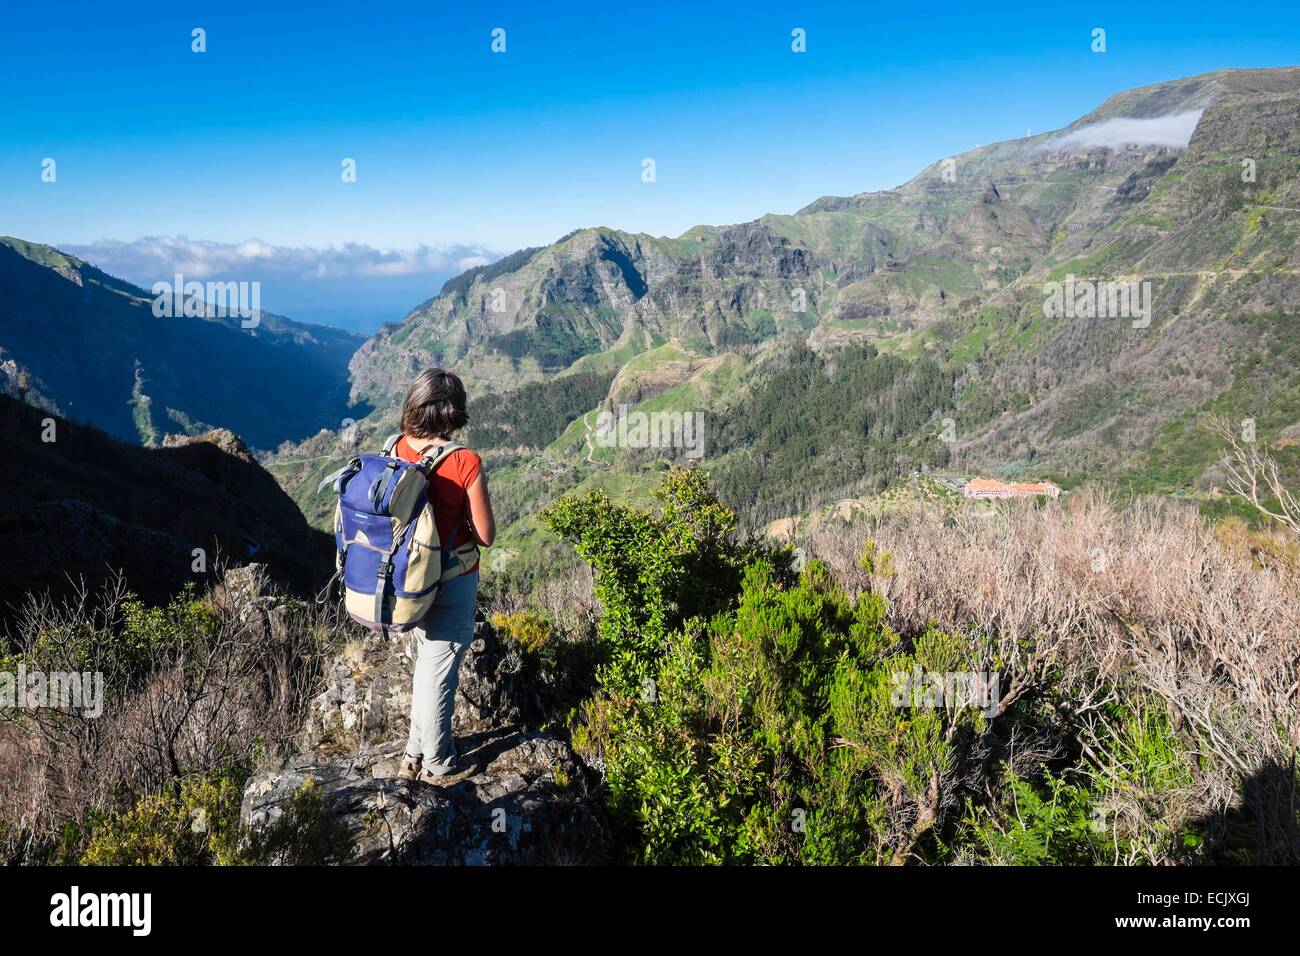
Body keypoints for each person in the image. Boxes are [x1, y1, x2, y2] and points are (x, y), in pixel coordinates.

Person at [392, 368, 495, 784]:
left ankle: (412, 753)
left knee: (428, 665)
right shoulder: (464, 461)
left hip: (407, 579)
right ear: (453, 412)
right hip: (451, 578)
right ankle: (438, 762)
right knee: (440, 667)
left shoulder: (395, 447)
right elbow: (486, 536)